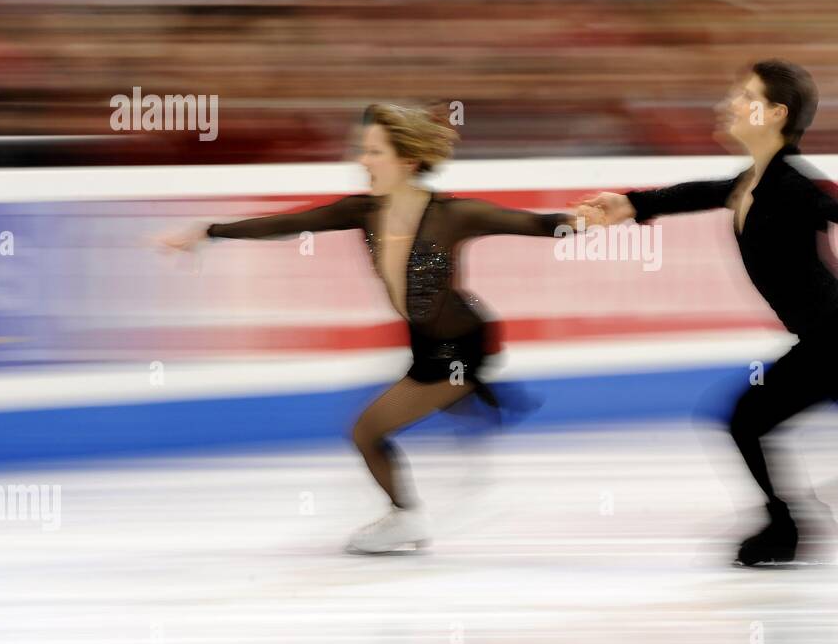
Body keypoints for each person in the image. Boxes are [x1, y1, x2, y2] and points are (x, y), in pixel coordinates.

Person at [159, 104, 603, 554]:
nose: (362, 161)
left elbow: (537, 225)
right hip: (426, 339)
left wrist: (592, 218)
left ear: (407, 161)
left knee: (367, 432)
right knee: (420, 408)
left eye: (374, 152)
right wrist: (209, 231)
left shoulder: (454, 216)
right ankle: (473, 407)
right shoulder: (364, 212)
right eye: (362, 150)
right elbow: (288, 224)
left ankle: (407, 516)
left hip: (461, 341)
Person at [580, 60, 838, 567]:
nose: (729, 104)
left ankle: (787, 527)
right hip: (829, 334)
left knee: (747, 418)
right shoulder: (748, 182)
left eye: (744, 96)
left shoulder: (794, 183)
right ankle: (826, 471)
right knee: (756, 415)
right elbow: (696, 193)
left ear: (776, 113)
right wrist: (629, 205)